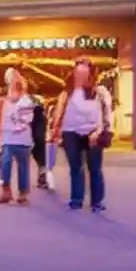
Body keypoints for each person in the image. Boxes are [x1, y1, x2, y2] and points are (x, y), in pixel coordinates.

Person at [52, 58, 113, 212]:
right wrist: (55, 128)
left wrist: (100, 132)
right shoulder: (68, 92)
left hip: (93, 133)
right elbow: (59, 111)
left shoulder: (100, 93)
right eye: (77, 72)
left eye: (83, 73)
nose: (79, 76)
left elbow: (107, 115)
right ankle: (76, 199)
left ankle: (97, 202)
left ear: (90, 75)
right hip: (71, 132)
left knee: (95, 168)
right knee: (75, 167)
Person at [0, 69, 34, 205]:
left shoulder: (26, 100)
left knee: (23, 166)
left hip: (23, 139)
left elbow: (27, 119)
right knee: (5, 164)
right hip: (7, 138)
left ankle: (23, 193)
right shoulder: (3, 100)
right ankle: (6, 190)